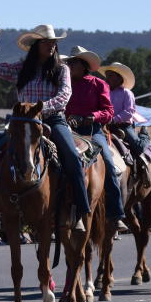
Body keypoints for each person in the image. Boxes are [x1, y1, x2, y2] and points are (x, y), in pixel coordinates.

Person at [0, 20, 89, 230]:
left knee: (72, 157)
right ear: (36, 45)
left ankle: (80, 211)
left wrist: (39, 108)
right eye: (46, 42)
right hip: (22, 124)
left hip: (52, 119)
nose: (51, 46)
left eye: (53, 43)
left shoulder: (61, 69)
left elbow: (64, 96)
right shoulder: (22, 68)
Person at [61, 46, 124, 222]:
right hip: (68, 130)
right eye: (68, 62)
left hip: (92, 131)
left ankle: (115, 212)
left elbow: (108, 112)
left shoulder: (99, 84)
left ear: (83, 65)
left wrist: (92, 116)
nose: (69, 65)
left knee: (109, 164)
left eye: (73, 62)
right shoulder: (63, 83)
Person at [103, 62, 148, 157]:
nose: (107, 78)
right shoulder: (104, 93)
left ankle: (144, 136)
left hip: (123, 126)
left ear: (119, 78)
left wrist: (114, 119)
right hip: (105, 125)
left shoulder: (127, 93)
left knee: (138, 147)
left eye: (110, 75)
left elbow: (129, 112)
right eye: (107, 75)